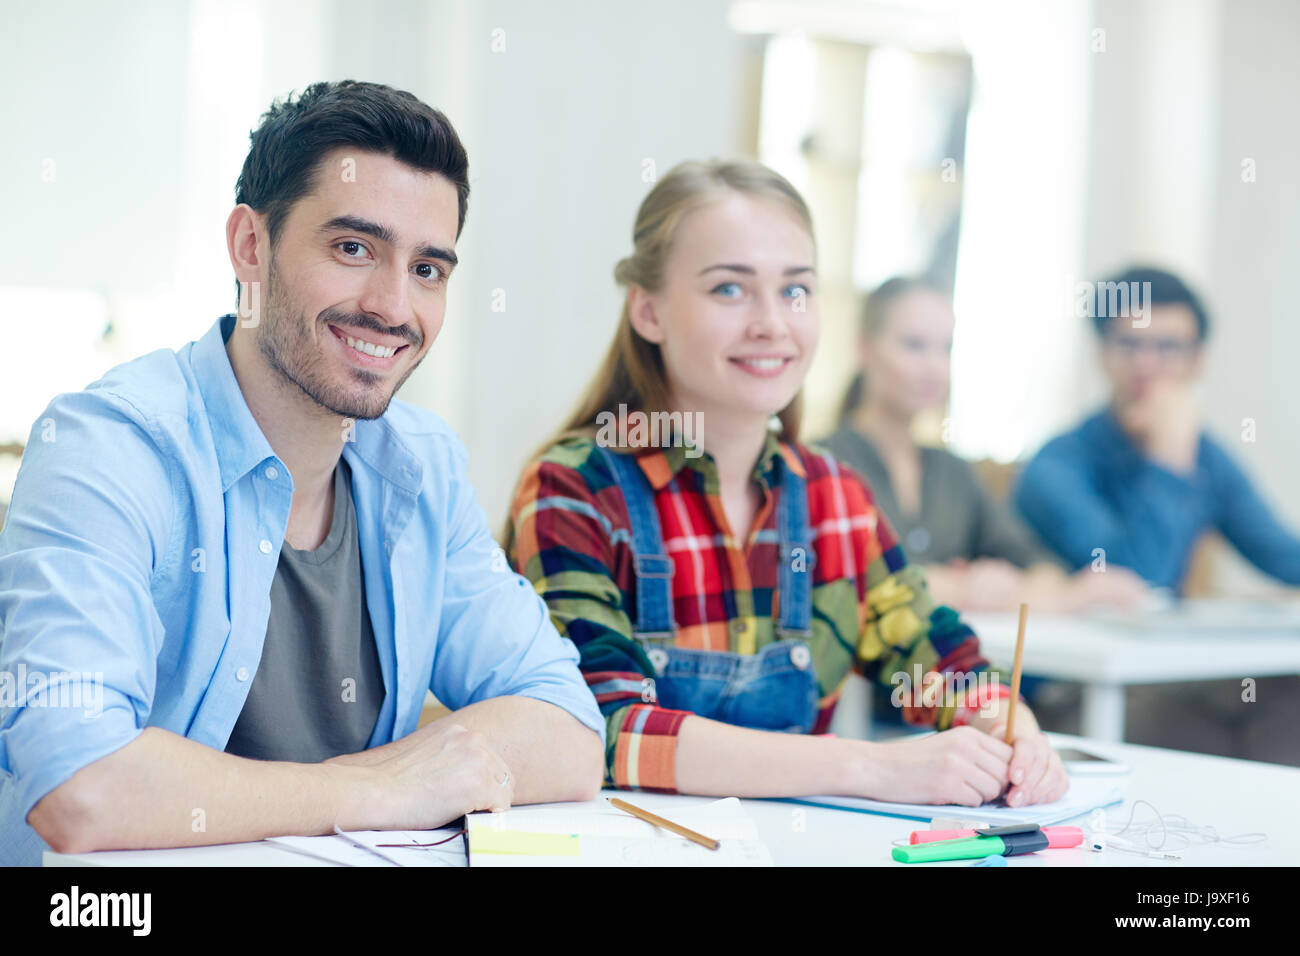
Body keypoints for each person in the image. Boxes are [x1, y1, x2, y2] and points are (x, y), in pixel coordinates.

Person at [0, 81, 604, 867]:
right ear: (251, 245)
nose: (393, 306)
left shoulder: (420, 466)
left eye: (428, 269)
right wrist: (381, 790)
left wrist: (371, 780)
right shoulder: (108, 449)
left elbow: (568, 729)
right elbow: (79, 786)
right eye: (353, 249)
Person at [504, 159, 1068, 806]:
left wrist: (1004, 721)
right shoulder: (572, 489)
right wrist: (874, 769)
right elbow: (600, 729)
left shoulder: (835, 498)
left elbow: (931, 657)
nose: (772, 322)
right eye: (728, 289)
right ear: (649, 311)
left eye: (795, 290)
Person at [822, 276, 1148, 613]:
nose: (934, 367)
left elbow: (1042, 568)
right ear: (865, 348)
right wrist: (969, 586)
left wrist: (1001, 587)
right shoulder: (822, 465)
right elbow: (861, 582)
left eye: (945, 349)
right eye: (914, 345)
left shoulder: (951, 472)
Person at [1014, 265, 1300, 592]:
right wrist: (1168, 460)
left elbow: (1285, 557)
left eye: (1167, 347)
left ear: (1198, 361)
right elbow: (1138, 588)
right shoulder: (1056, 465)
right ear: (1102, 353)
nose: (1146, 365)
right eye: (1129, 345)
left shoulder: (1208, 457)